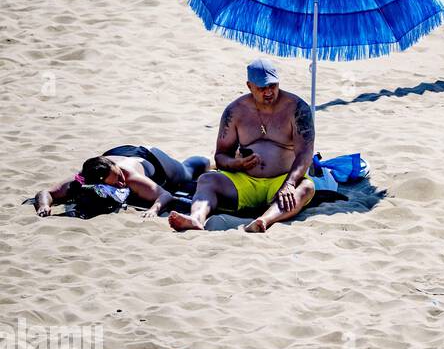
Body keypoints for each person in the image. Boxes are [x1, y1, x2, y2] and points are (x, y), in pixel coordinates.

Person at [169, 58, 316, 233]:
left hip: (281, 179)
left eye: (273, 86)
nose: (269, 92)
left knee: (306, 187)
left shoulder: (296, 108)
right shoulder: (235, 111)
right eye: (262, 88)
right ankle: (196, 219)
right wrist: (237, 164)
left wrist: (290, 183)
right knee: (206, 179)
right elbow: (221, 155)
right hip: (245, 181)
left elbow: (305, 153)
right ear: (249, 86)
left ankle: (264, 220)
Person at [34, 146, 210, 218]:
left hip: (150, 157)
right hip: (114, 155)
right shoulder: (85, 176)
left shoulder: (129, 176)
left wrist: (153, 210)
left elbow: (165, 195)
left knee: (187, 171)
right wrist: (44, 206)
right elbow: (46, 193)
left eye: (118, 178)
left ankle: (210, 159)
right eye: (114, 183)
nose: (121, 183)